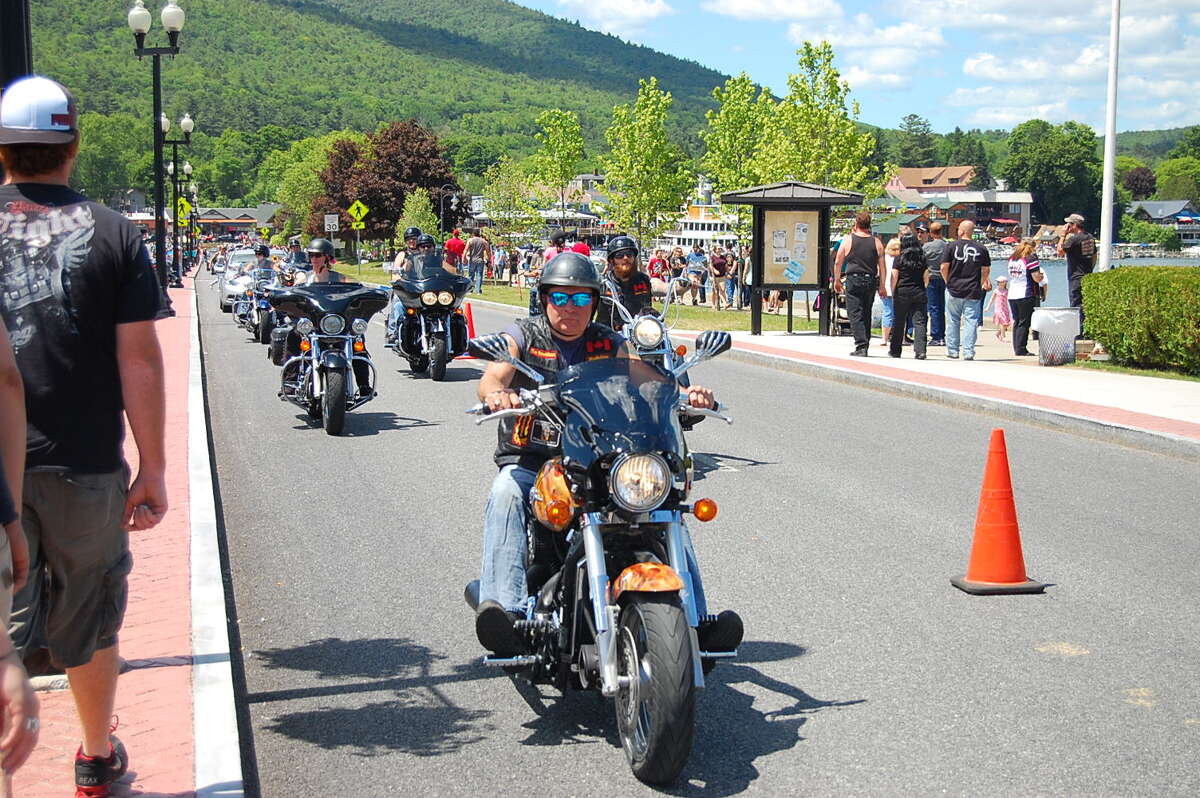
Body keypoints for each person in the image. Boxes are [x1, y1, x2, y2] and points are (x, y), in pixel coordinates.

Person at [0, 75, 167, 797]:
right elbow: (138, 360)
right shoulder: (114, 231)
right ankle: (95, 756)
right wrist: (152, 468)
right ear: (73, 144)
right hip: (86, 464)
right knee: (90, 613)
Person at [472, 252, 741, 657]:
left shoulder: (609, 341)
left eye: (581, 299)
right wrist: (496, 394)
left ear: (594, 303)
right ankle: (508, 616)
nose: (570, 308)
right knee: (506, 493)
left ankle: (695, 622)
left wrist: (686, 395)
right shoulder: (524, 335)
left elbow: (645, 378)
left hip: (595, 460)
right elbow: (493, 375)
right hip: (534, 459)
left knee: (665, 505)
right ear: (544, 299)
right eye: (560, 298)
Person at [832, 211, 886, 356]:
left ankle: (861, 345)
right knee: (866, 311)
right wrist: (882, 285)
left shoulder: (848, 240)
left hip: (853, 279)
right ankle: (865, 343)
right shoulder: (877, 242)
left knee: (854, 312)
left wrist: (837, 280)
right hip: (870, 279)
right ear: (869, 225)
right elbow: (882, 266)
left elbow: (838, 261)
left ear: (856, 224)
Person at [939, 220, 992, 360]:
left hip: (953, 288)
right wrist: (980, 282)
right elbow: (986, 269)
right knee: (971, 321)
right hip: (973, 289)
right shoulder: (981, 248)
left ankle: (953, 350)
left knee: (953, 320)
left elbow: (944, 267)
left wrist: (947, 281)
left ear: (961, 231)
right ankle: (968, 351)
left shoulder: (951, 246)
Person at [888, 234, 929, 360]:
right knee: (920, 322)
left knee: (899, 322)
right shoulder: (922, 259)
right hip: (918, 291)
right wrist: (923, 288)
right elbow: (927, 276)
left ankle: (895, 350)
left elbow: (894, 276)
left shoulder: (899, 258)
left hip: (902, 292)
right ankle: (920, 351)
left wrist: (893, 291)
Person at [600, 235, 653, 331]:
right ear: (611, 260)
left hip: (639, 332)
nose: (625, 258)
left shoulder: (643, 280)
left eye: (629, 254)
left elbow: (648, 307)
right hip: (609, 334)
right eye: (619, 255)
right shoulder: (604, 284)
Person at [1057, 213, 1095, 326]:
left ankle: (1078, 331)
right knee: (1085, 303)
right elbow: (1094, 256)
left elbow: (1060, 251)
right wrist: (1089, 269)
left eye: (1068, 224)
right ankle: (1086, 329)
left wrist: (1063, 236)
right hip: (1087, 274)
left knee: (1076, 303)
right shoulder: (1090, 237)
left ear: (1074, 225)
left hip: (1075, 276)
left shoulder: (1074, 240)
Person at [1005, 240, 1043, 356]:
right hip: (1026, 293)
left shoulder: (1013, 259)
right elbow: (1036, 277)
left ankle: (1017, 347)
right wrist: (1041, 276)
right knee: (1024, 322)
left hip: (1013, 293)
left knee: (1017, 321)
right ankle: (1021, 348)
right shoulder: (1030, 259)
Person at [386, 228, 422, 343]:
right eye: (409, 239)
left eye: (414, 239)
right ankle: (393, 331)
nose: (412, 241)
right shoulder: (403, 254)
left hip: (423, 288)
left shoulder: (425, 253)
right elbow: (395, 272)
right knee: (397, 302)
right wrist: (398, 279)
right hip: (407, 288)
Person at [922, 221, 948, 346]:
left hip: (931, 278)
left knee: (933, 308)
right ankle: (942, 335)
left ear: (931, 233)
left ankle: (936, 336)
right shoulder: (947, 246)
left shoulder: (926, 247)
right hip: (944, 278)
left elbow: (922, 263)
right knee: (941, 307)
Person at [881, 238, 900, 347]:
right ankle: (899, 337)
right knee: (898, 314)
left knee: (887, 312)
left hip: (885, 287)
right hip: (897, 288)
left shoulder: (884, 258)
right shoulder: (899, 259)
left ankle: (884, 338)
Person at [987, 276, 1012, 342]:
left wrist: (1011, 308)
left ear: (1005, 283)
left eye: (1001, 282)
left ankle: (998, 333)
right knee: (1002, 322)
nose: (1000, 283)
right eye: (999, 282)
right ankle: (1003, 336)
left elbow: (1009, 300)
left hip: (1005, 308)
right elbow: (992, 299)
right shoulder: (996, 291)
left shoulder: (1007, 291)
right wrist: (988, 307)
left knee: (1007, 323)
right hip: (998, 308)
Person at [709, 245, 730, 310]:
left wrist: (728, 273)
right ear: (715, 250)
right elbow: (710, 265)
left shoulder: (723, 257)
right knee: (714, 291)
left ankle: (725, 304)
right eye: (718, 249)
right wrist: (715, 271)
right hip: (714, 276)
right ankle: (713, 304)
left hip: (722, 276)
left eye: (720, 249)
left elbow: (726, 266)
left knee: (722, 290)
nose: (719, 250)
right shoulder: (712, 257)